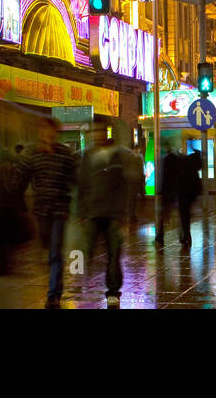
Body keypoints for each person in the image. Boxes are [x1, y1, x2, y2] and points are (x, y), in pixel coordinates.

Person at [75, 121, 143, 308]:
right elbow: (82, 185)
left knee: (114, 254)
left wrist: (123, 214)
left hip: (114, 214)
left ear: (106, 133)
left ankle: (113, 291)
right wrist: (81, 211)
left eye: (100, 131)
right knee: (85, 249)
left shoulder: (118, 155)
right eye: (94, 131)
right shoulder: (87, 155)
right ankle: (81, 280)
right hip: (92, 212)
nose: (97, 135)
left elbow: (124, 185)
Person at [26, 119, 78, 308]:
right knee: (46, 252)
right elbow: (23, 177)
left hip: (58, 211)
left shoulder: (65, 154)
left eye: (50, 131)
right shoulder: (33, 154)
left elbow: (74, 179)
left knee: (55, 253)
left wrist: (72, 205)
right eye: (43, 130)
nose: (47, 134)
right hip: (41, 211)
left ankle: (53, 294)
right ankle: (54, 286)